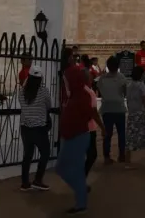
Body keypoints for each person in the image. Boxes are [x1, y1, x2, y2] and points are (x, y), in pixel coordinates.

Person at [56, 50, 104, 215]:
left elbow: (90, 113)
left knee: (70, 168)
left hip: (78, 134)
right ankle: (81, 192)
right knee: (65, 167)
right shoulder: (75, 95)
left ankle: (81, 199)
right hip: (72, 134)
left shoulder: (82, 95)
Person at [18, 64, 52, 191]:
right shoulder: (43, 91)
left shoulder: (22, 92)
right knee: (45, 153)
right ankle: (38, 180)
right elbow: (48, 105)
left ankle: (25, 183)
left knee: (27, 155)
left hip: (25, 128)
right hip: (39, 129)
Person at [96, 55, 128, 163]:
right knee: (121, 133)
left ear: (108, 66)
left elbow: (99, 89)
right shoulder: (122, 77)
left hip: (107, 108)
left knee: (107, 134)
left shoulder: (102, 78)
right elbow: (125, 92)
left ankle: (106, 157)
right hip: (119, 108)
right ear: (118, 66)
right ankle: (122, 155)